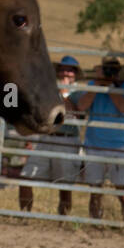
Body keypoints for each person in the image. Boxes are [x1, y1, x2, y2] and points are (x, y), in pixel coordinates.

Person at [75, 57, 124, 223]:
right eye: (107, 70)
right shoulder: (93, 86)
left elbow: (123, 107)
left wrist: (110, 87)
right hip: (94, 144)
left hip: (119, 145)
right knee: (95, 191)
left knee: (123, 191)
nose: (110, 74)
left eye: (113, 71)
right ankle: (95, 224)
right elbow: (81, 106)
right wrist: (97, 86)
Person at [21, 56, 83, 216]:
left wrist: (64, 93)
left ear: (75, 73)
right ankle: (24, 215)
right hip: (47, 137)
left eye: (69, 70)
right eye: (62, 69)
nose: (65, 73)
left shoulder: (79, 92)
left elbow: (79, 113)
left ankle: (63, 218)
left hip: (68, 140)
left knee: (65, 185)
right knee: (26, 177)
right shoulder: (48, 88)